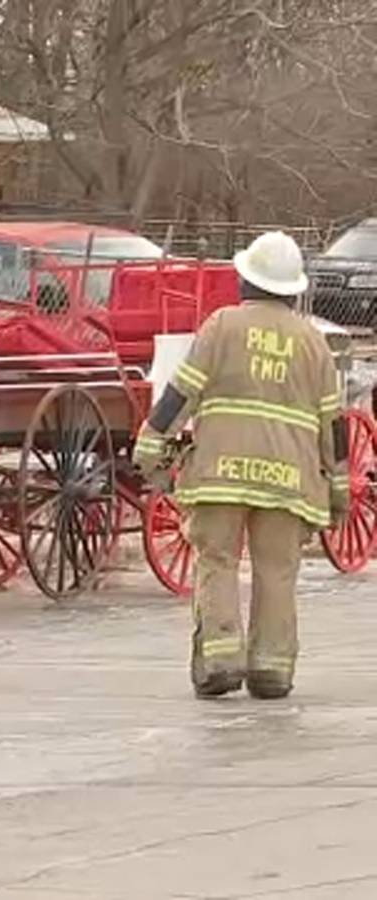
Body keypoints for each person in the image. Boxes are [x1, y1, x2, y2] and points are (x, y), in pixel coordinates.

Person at [132, 231, 349, 700]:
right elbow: (334, 425)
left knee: (217, 561)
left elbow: (180, 393)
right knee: (277, 571)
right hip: (288, 481)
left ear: (246, 280)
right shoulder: (313, 342)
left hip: (220, 474)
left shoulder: (221, 327)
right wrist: (339, 490)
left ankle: (219, 661)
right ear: (292, 289)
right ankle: (271, 669)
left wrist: (150, 445)